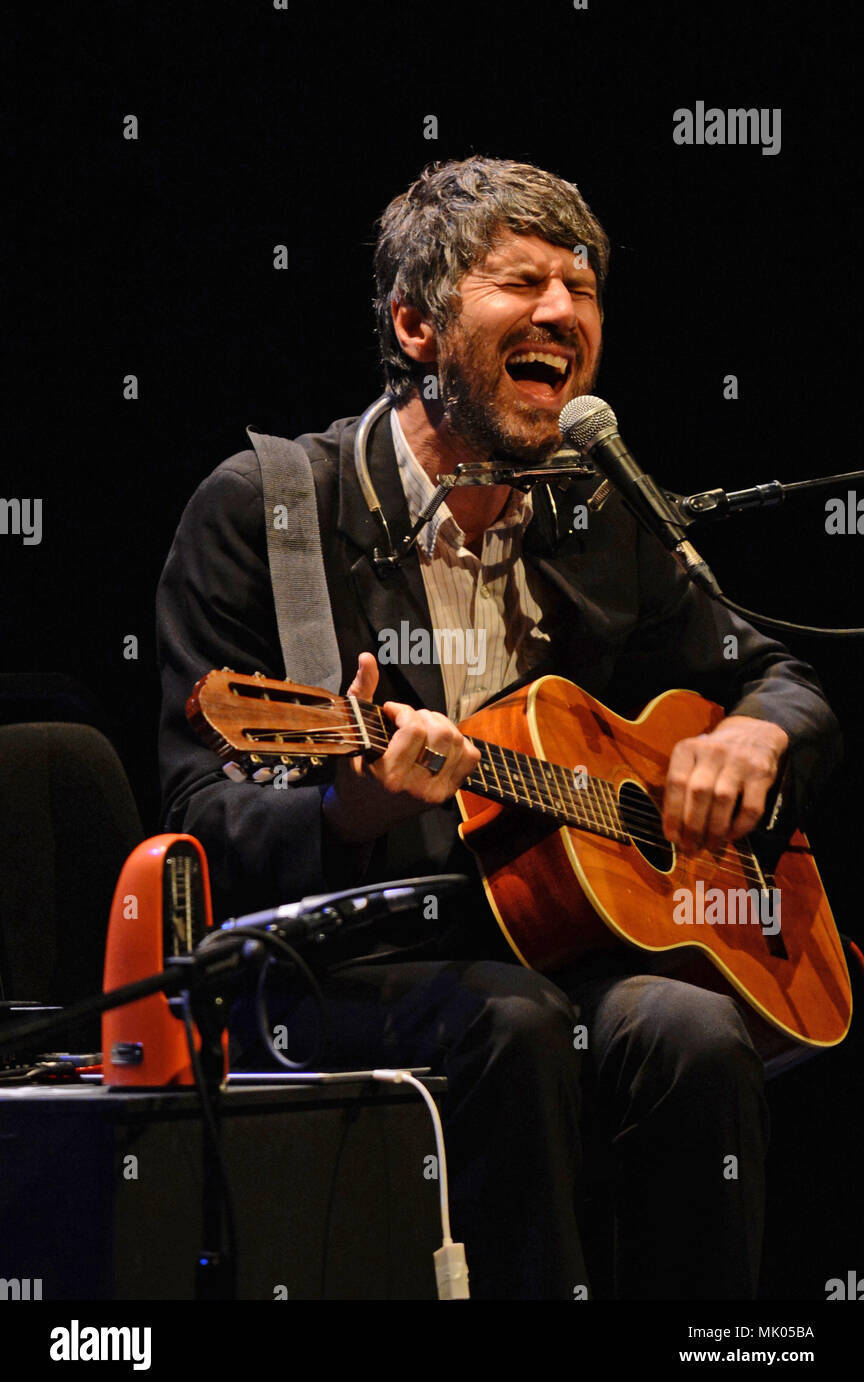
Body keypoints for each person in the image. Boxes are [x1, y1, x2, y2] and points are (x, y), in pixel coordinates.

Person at [156, 157, 841, 1299]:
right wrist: (357, 801)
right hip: (339, 969)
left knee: (695, 1035)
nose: (564, 313)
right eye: (523, 281)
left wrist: (757, 738)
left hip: (553, 952)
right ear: (417, 324)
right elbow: (200, 816)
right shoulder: (267, 511)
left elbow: (778, 673)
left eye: (583, 287)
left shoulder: (596, 506)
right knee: (513, 1027)